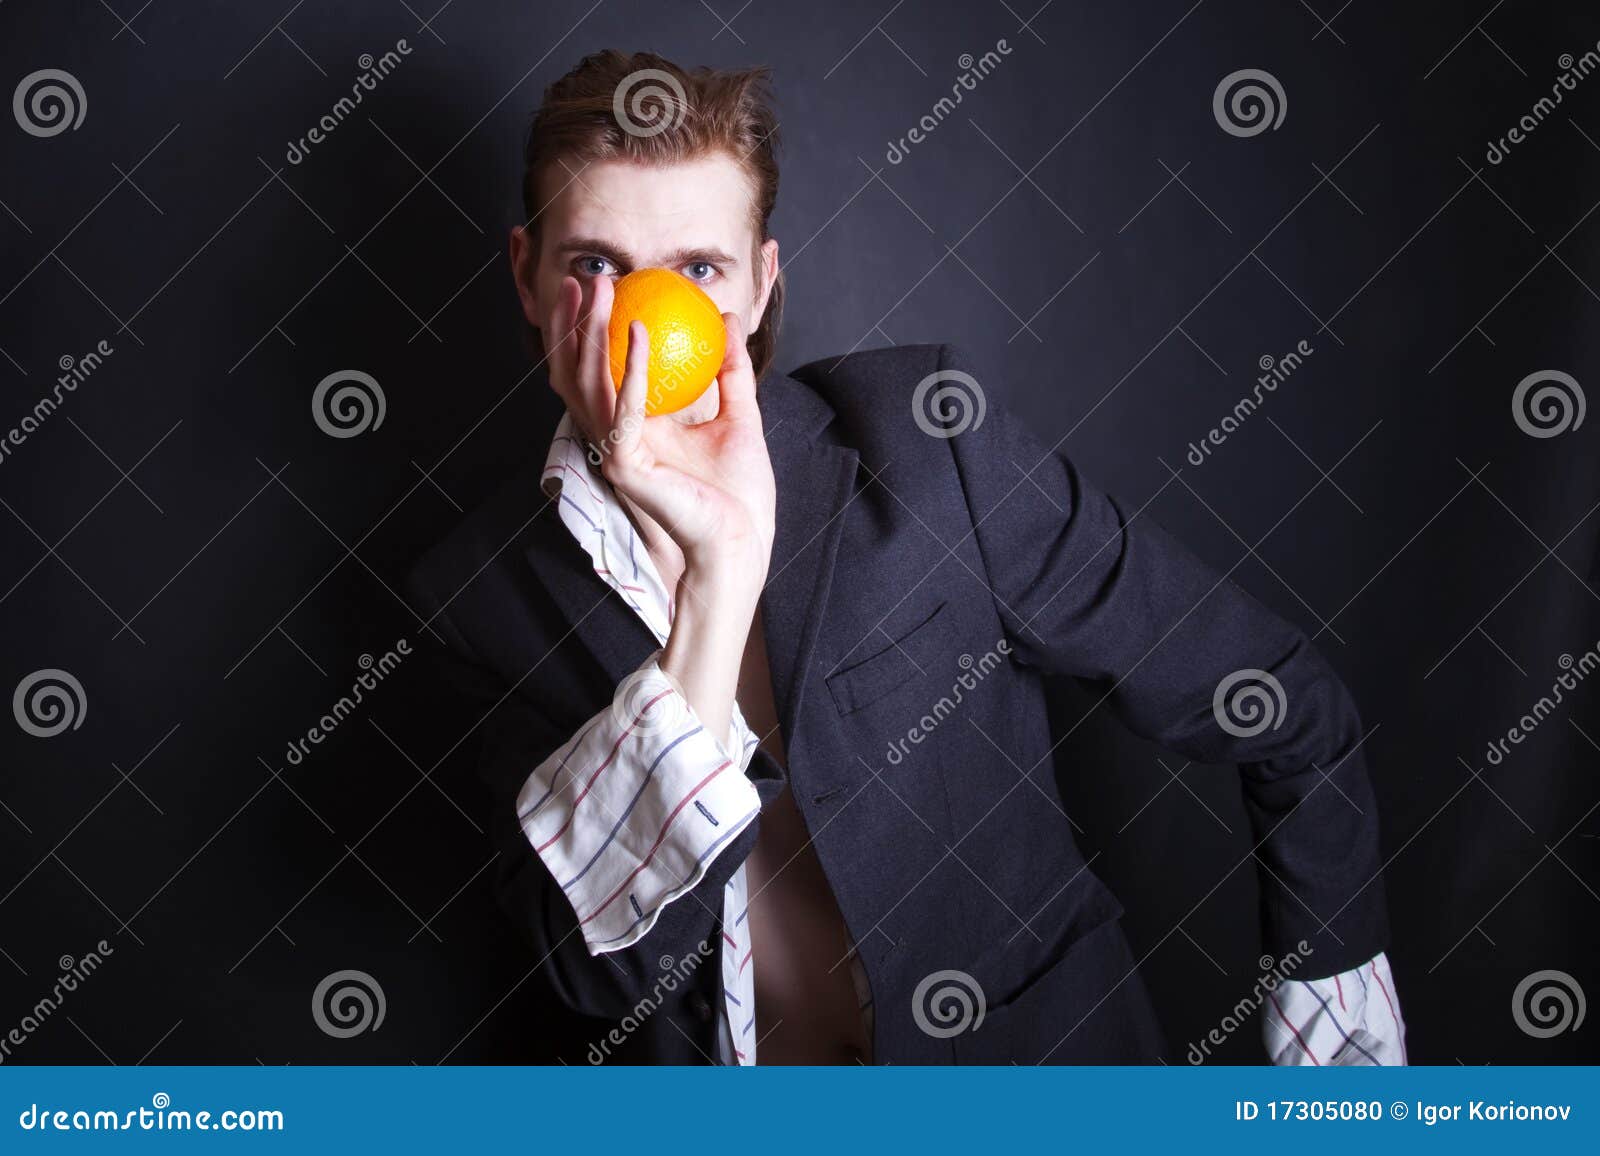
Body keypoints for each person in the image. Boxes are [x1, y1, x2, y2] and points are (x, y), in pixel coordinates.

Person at [403, 49, 1406, 1065]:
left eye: (697, 270)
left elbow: (1285, 706)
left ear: (757, 286)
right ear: (527, 278)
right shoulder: (476, 602)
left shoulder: (931, 453)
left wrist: (1341, 1066)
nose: (641, 318)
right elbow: (597, 969)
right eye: (596, 266)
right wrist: (720, 581)